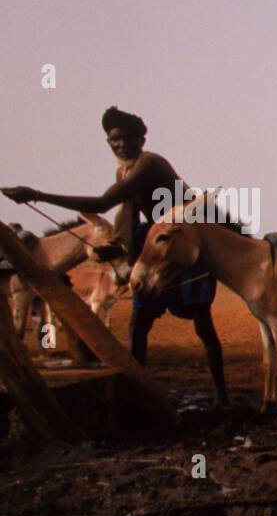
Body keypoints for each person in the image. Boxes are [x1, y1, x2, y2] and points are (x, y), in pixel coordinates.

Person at [2, 107, 227, 403]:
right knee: (139, 321)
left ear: (141, 139)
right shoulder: (125, 172)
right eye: (114, 139)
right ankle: (141, 396)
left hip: (184, 243)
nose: (120, 144)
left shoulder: (150, 165)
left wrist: (38, 195)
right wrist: (120, 245)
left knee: (202, 324)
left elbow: (103, 203)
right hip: (156, 248)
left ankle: (222, 395)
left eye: (127, 138)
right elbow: (127, 211)